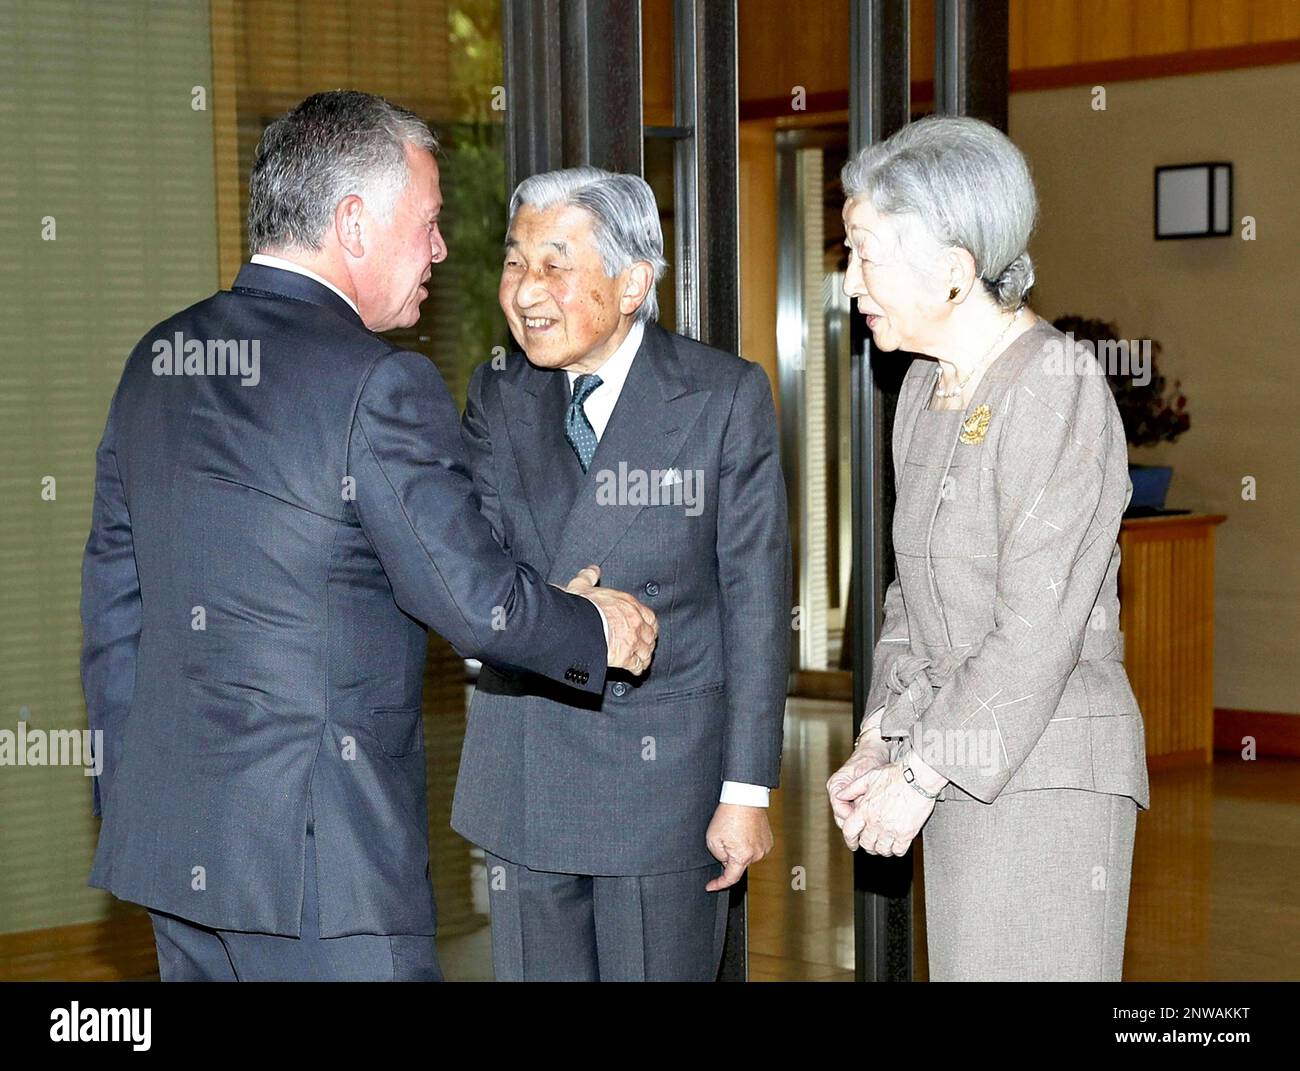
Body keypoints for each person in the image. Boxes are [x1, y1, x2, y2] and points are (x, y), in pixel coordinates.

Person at [80, 91, 657, 981]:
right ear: (353, 222)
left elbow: (114, 613)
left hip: (173, 847)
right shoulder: (379, 383)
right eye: (427, 222)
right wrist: (597, 628)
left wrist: (128, 804)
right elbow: (471, 599)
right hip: (323, 864)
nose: (440, 249)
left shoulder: (158, 359)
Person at [825, 115, 1149, 981]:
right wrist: (879, 739)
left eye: (866, 253)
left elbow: (1034, 629)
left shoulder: (1057, 387)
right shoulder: (923, 385)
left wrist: (922, 770)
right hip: (961, 762)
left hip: (1045, 781)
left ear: (956, 270)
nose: (849, 281)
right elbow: (910, 592)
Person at [450, 167, 791, 981]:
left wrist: (746, 788)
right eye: (514, 262)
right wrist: (555, 615)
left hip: (662, 779)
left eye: (554, 265)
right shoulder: (499, 394)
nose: (525, 292)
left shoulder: (721, 396)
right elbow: (471, 563)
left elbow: (756, 605)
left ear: (633, 281)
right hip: (526, 767)